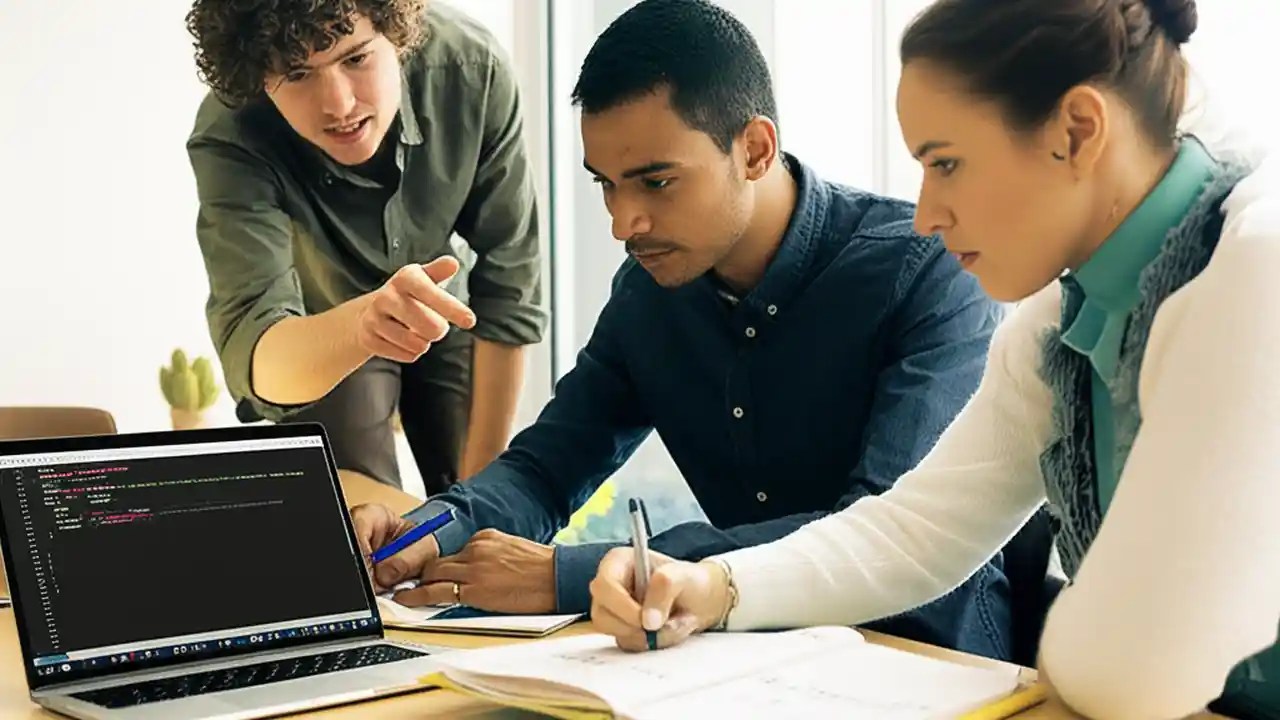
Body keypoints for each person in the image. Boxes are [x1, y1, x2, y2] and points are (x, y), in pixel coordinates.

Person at [588, 0, 1280, 717]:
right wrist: (717, 587)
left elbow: (1130, 668)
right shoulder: (1064, 319)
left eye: (945, 164)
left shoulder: (1258, 265)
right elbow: (921, 530)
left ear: (1077, 131)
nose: (925, 215)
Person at [351, 0, 1013, 661]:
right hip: (731, 658)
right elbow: (545, 470)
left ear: (754, 150)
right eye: (607, 185)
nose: (623, 222)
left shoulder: (929, 274)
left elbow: (879, 532)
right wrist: (427, 529)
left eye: (656, 182)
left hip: (925, 663)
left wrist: (571, 575)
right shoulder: (650, 292)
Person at [184, 0, 546, 494]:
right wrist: (362, 325)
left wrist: (479, 505)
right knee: (358, 533)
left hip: (445, 306)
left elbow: (511, 286)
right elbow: (258, 353)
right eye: (297, 74)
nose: (338, 104)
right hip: (323, 328)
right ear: (259, 79)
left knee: (484, 509)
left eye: (355, 59)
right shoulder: (231, 130)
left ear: (397, 34)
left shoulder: (471, 68)